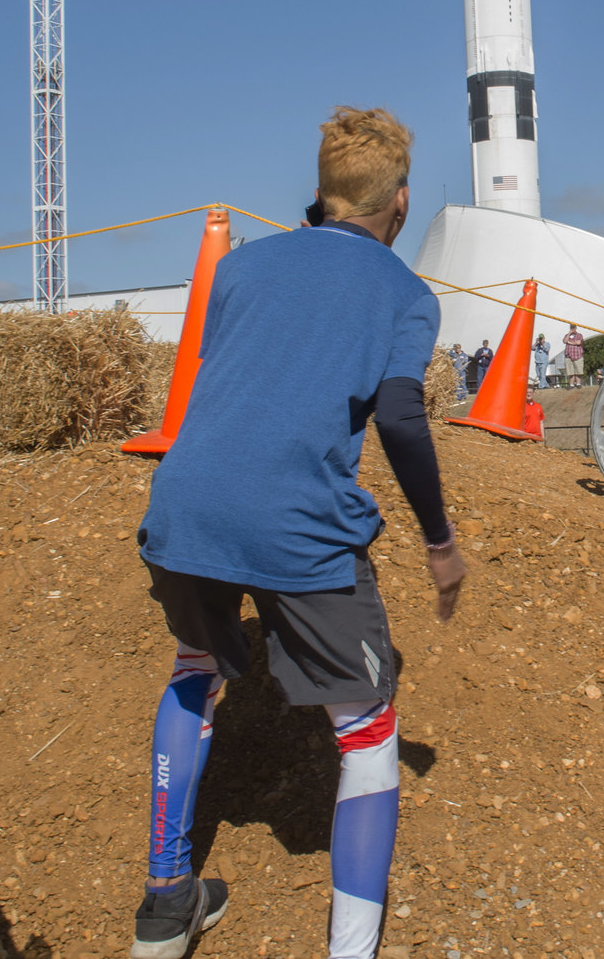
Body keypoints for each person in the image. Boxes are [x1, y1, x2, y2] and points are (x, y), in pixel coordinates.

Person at [132, 107, 467, 959]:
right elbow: (397, 410)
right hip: (297, 520)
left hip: (185, 506)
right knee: (367, 727)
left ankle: (166, 902)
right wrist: (437, 538)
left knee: (197, 667)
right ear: (398, 203)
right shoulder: (404, 290)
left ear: (318, 194)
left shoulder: (241, 267)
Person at [562, 323, 585, 387]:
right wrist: (569, 333)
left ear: (576, 328)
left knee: (578, 371)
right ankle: (571, 384)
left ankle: (578, 384)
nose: (572, 329)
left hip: (578, 356)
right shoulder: (567, 335)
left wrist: (569, 342)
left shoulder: (579, 335)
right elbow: (564, 341)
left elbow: (578, 342)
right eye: (571, 328)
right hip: (568, 356)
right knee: (570, 372)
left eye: (573, 327)